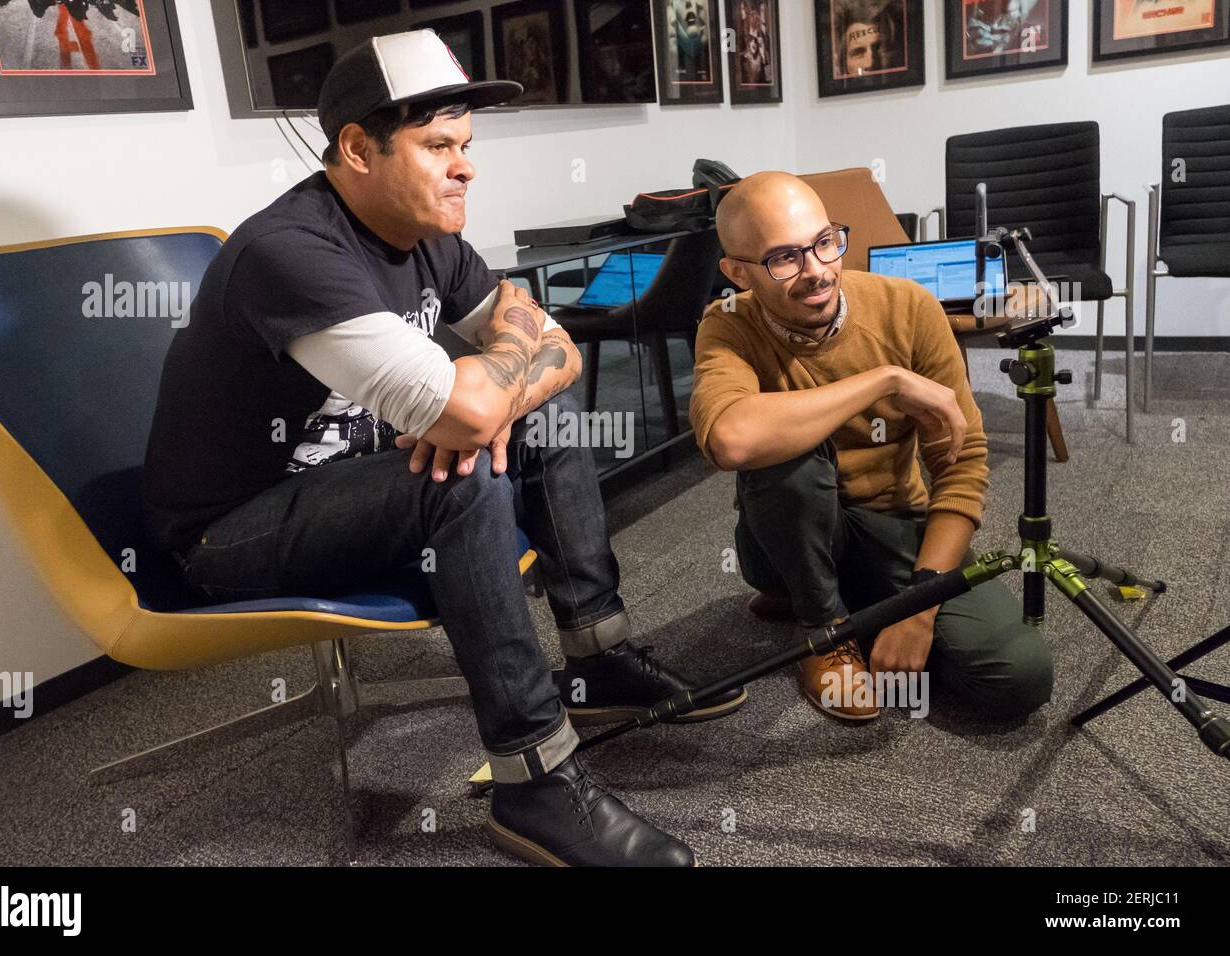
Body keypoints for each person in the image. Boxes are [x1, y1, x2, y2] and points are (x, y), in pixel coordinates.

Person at [142, 30, 744, 867]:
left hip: (347, 486)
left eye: (465, 146)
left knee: (533, 424)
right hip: (227, 532)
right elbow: (488, 386)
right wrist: (486, 396)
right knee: (459, 476)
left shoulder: (428, 235)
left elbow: (559, 349)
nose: (466, 167)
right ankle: (533, 778)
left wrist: (495, 399)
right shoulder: (289, 252)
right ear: (357, 148)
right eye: (438, 147)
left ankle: (598, 661)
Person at [690, 172, 1053, 721]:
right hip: (788, 530)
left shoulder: (907, 306)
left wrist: (920, 609)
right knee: (784, 452)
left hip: (896, 525)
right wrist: (884, 380)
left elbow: (963, 465)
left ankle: (841, 598)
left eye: (824, 242)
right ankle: (823, 627)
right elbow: (730, 440)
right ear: (738, 273)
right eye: (783, 259)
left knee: (1018, 677)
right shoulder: (728, 324)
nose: (816, 270)